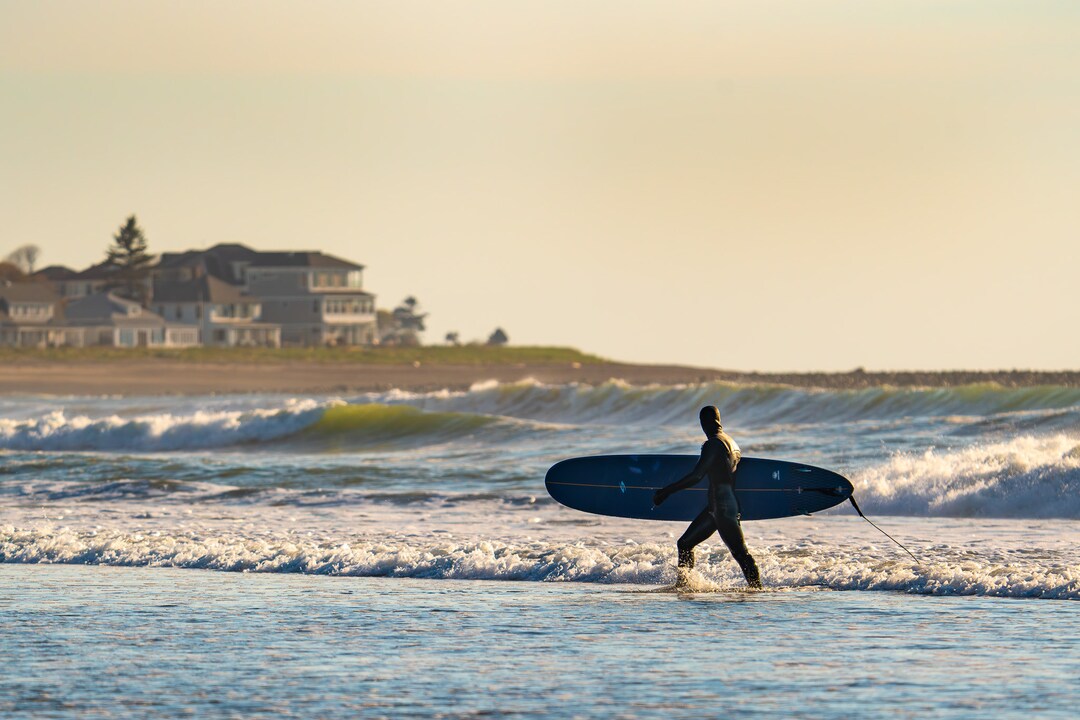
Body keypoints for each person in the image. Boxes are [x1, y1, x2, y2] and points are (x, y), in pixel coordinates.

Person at [652, 405, 762, 588]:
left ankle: (758, 590)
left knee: (741, 554)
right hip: (717, 506)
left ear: (704, 423)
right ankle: (684, 586)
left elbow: (697, 475)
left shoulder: (713, 444)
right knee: (685, 543)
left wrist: (666, 491)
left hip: (723, 508)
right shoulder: (732, 442)